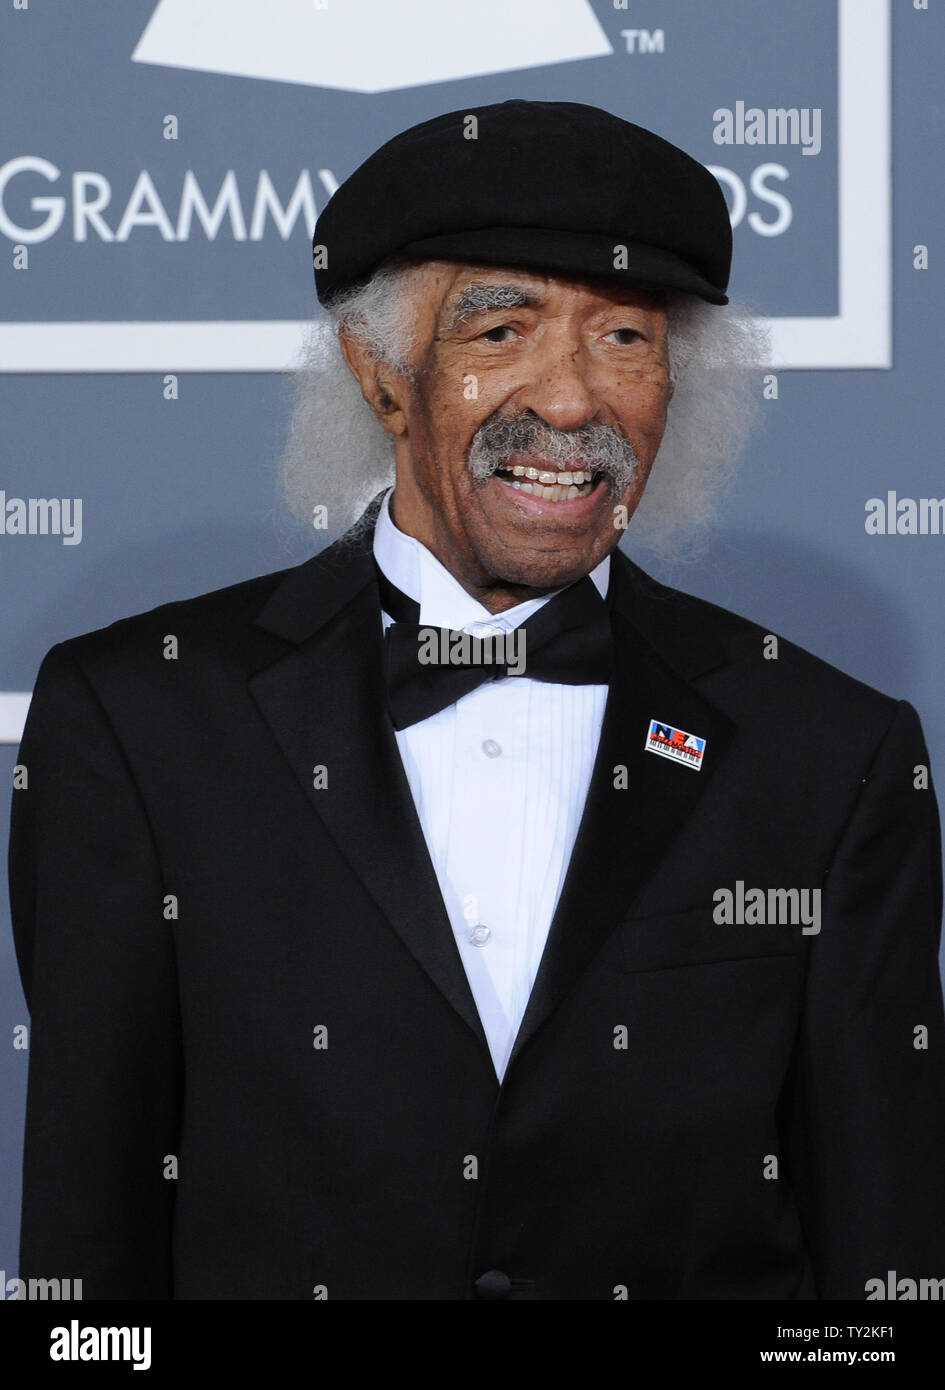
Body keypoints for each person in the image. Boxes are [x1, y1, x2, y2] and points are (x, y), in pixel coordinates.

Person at [9, 100, 945, 1301]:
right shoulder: (137, 724)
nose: (570, 404)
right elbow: (86, 1274)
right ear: (382, 377)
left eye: (623, 338)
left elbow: (884, 1267)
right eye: (501, 330)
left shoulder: (831, 755)